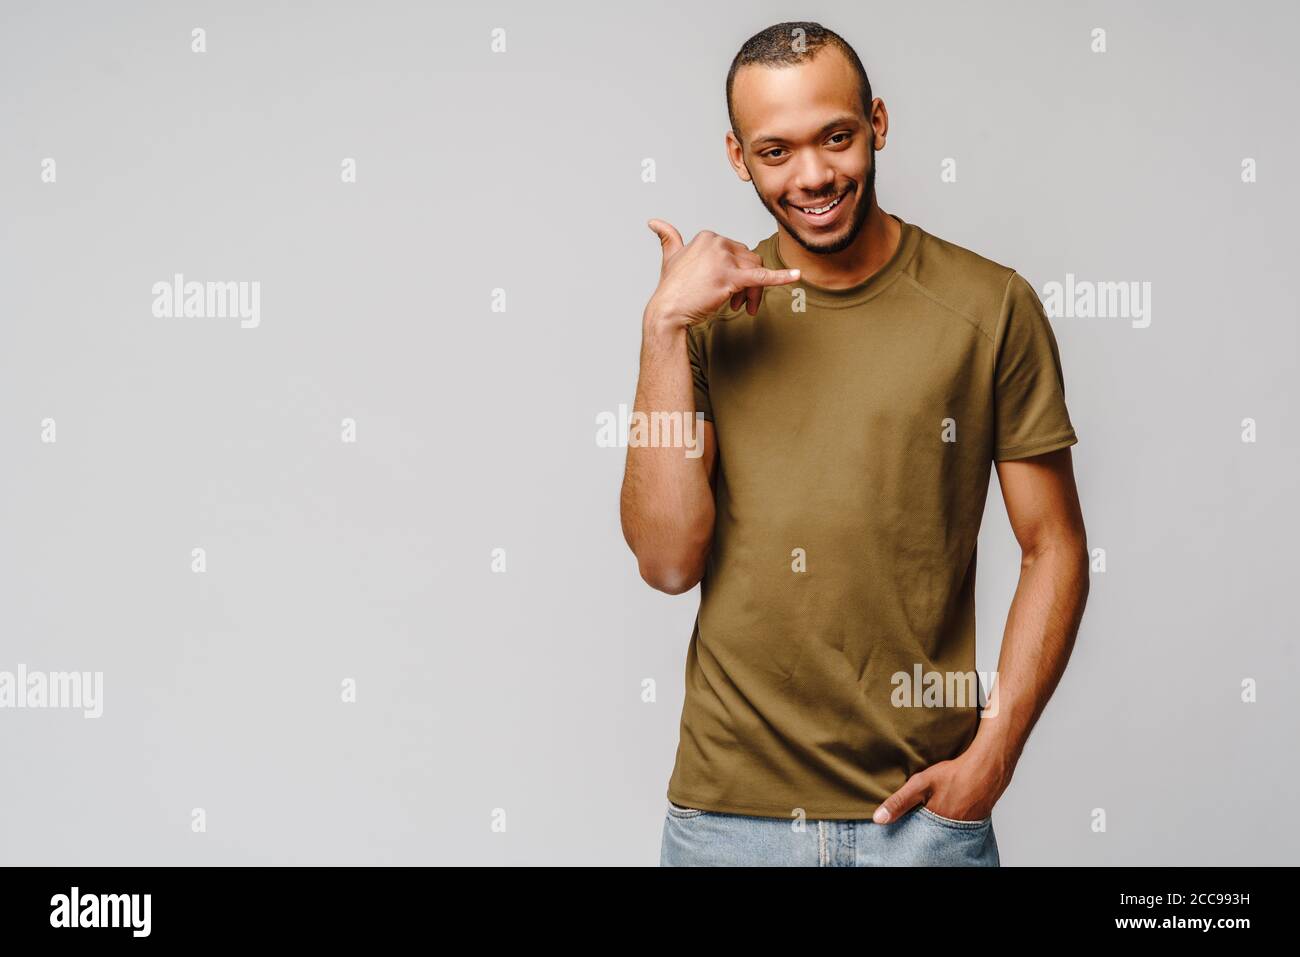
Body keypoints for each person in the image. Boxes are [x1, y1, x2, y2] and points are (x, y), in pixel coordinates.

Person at [620, 21, 1090, 866]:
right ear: (738, 157)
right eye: (776, 151)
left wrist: (994, 756)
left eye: (835, 137)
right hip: (729, 821)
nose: (813, 176)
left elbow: (1053, 544)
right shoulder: (705, 320)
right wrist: (661, 329)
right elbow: (665, 562)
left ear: (877, 121)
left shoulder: (991, 306)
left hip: (922, 823)